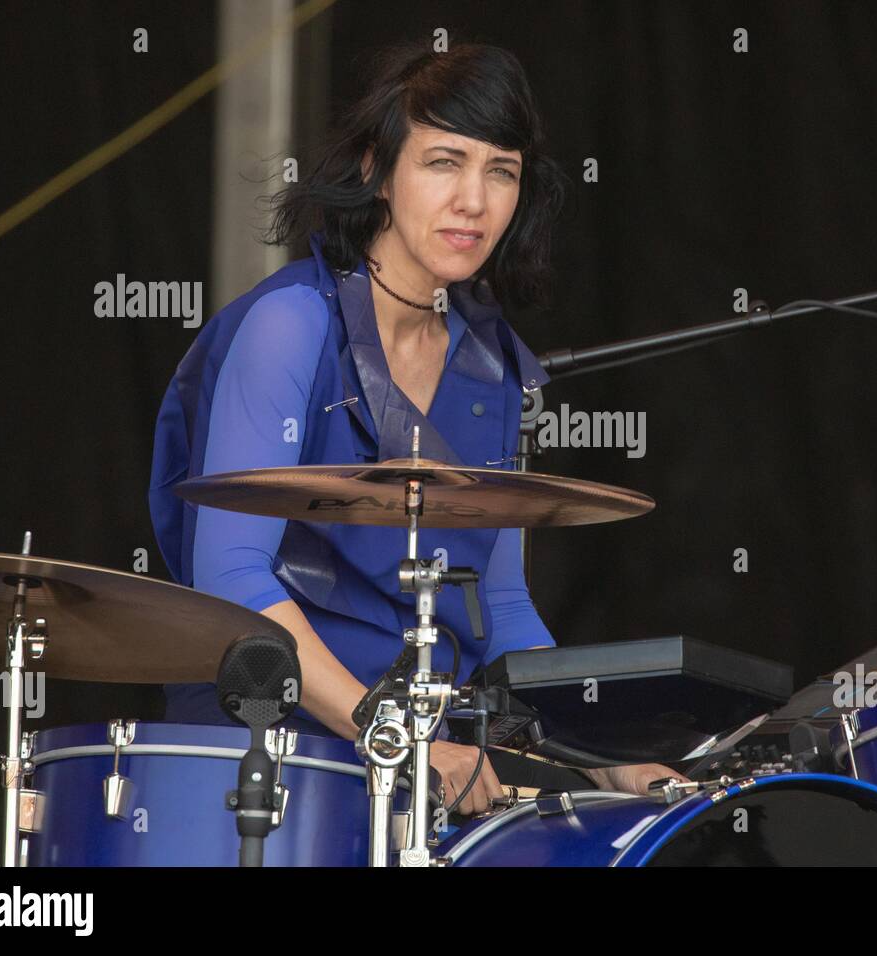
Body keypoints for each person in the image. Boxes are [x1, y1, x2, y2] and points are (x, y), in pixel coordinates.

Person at [149, 40, 679, 815]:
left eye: (501, 171)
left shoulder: (491, 365)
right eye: (444, 161)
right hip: (270, 760)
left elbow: (499, 606)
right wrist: (393, 735)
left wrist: (608, 753)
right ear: (375, 169)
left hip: (426, 762)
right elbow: (232, 579)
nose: (475, 199)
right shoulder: (291, 325)